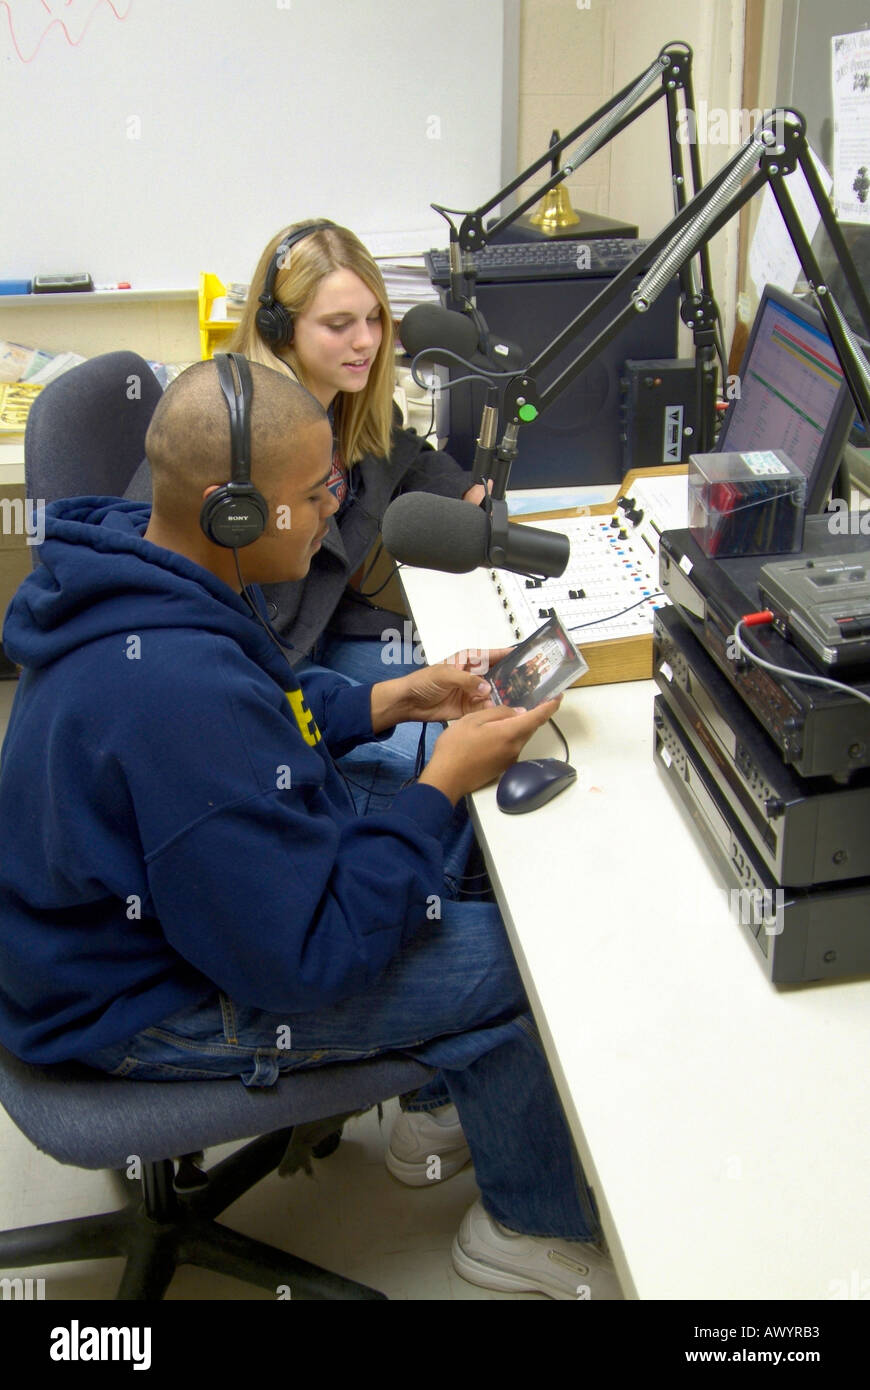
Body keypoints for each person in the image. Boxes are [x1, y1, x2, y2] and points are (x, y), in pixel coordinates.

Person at [0, 359, 619, 1300]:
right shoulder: (171, 694)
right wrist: (439, 787)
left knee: (443, 809)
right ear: (233, 512)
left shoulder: (143, 554)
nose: (338, 509)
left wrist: (392, 698)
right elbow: (304, 954)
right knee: (524, 965)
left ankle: (450, 1090)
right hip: (133, 1006)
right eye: (317, 493)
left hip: (155, 912)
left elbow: (262, 697)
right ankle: (524, 1225)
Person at [224, 219, 485, 687]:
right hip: (262, 664)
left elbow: (396, 454)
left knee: (480, 694)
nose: (365, 341)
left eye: (374, 318)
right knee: (450, 738)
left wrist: (466, 493)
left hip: (324, 628)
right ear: (278, 328)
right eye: (339, 325)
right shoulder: (236, 434)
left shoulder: (343, 401)